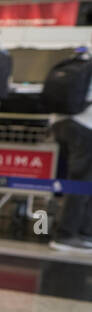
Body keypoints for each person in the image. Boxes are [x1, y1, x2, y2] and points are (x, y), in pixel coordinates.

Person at [50, 51, 92, 252]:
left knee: (81, 179)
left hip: (62, 123)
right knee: (81, 180)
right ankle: (66, 235)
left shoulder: (79, 58)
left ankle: (83, 232)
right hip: (85, 126)